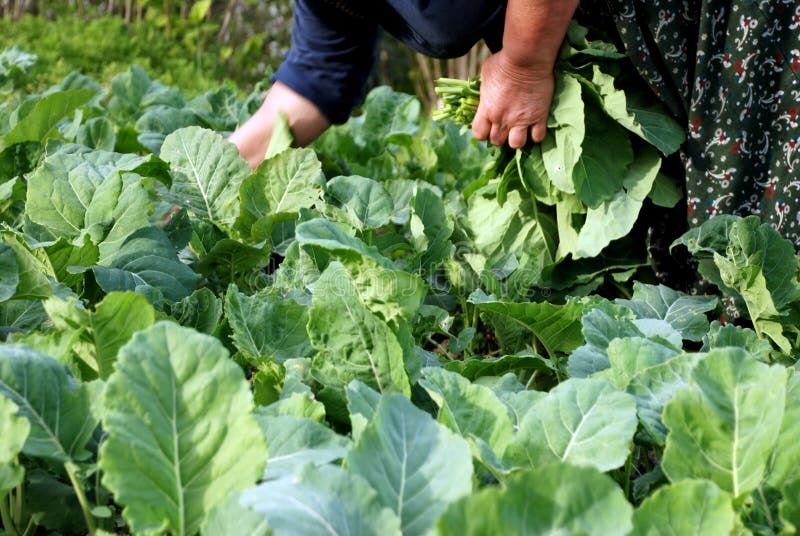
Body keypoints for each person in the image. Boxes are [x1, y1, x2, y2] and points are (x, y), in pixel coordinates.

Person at [230, 0, 800, 248]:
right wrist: (211, 179)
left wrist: (525, 60)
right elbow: (318, 75)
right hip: (602, 40)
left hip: (705, 27)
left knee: (753, 215)